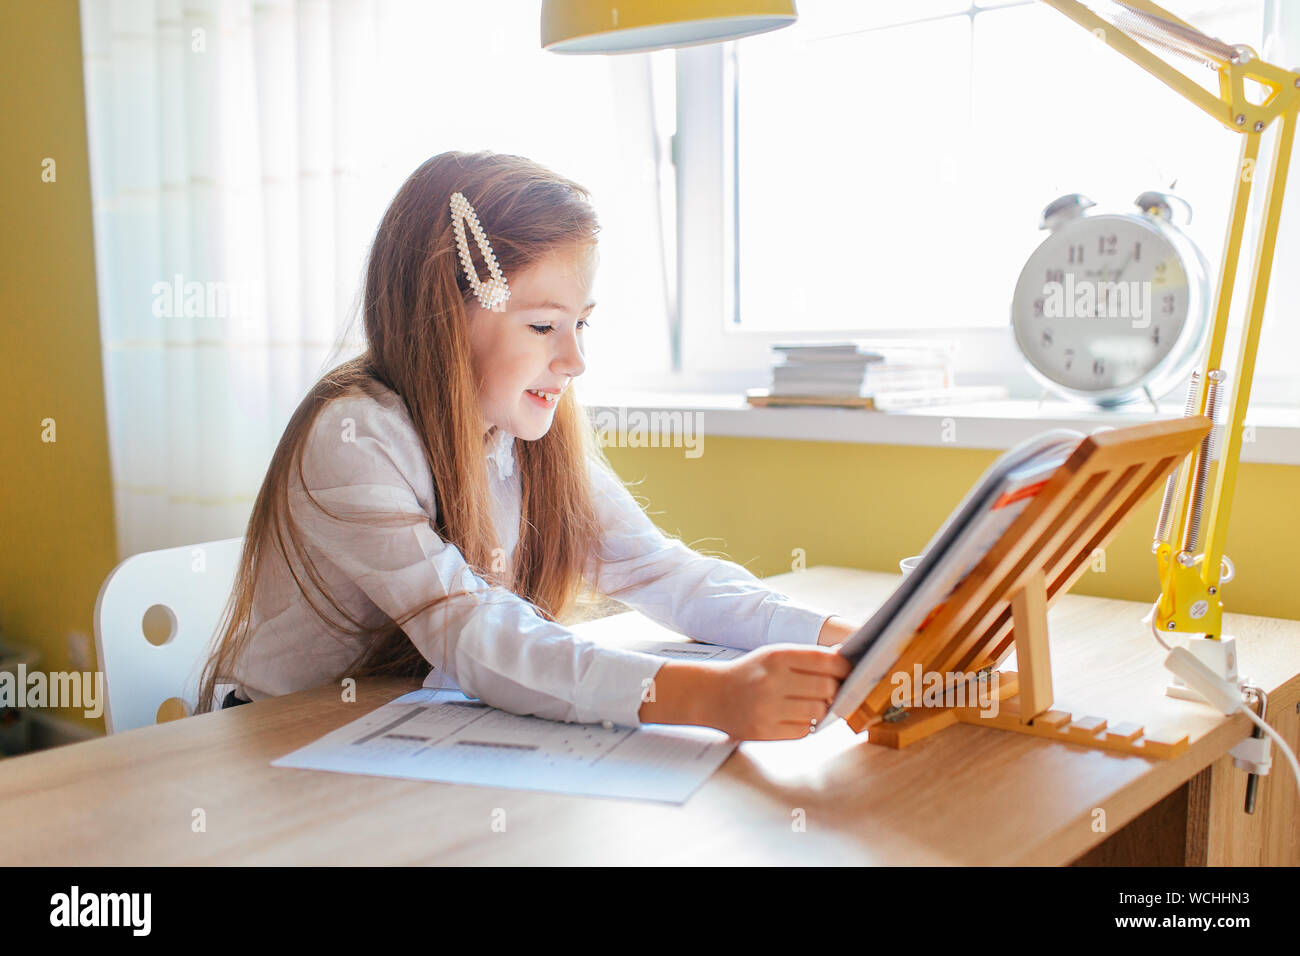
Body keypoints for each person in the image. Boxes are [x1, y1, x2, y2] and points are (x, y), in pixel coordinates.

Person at [195, 150, 858, 740]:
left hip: (405, 727)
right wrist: (705, 697)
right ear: (439, 316)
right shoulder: (358, 436)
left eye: (581, 325)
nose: (574, 360)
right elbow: (472, 632)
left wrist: (848, 643)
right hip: (282, 741)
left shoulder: (524, 432)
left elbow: (662, 571)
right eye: (543, 325)